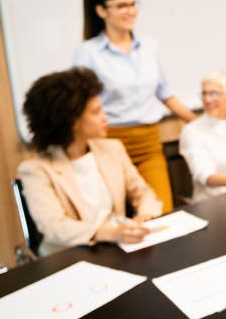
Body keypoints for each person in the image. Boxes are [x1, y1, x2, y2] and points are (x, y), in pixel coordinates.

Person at [73, 0, 196, 213]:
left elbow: (165, 93)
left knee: (161, 213)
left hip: (149, 142)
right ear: (100, 11)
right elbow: (80, 105)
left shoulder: (150, 46)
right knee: (119, 217)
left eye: (132, 4)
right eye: (122, 6)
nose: (131, 11)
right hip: (107, 143)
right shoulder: (87, 53)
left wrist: (199, 123)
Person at [17, 67, 163, 256]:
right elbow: (53, 226)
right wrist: (107, 233)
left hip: (117, 249)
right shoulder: (35, 170)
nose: (105, 117)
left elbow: (143, 193)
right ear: (72, 121)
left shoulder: (112, 149)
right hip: (69, 256)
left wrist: (144, 216)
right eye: (96, 112)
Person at [179, 70, 226, 202]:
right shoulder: (192, 131)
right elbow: (204, 176)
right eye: (204, 93)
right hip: (214, 200)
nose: (207, 99)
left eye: (214, 93)